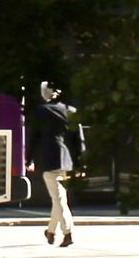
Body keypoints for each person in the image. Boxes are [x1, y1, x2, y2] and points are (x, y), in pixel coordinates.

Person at [25, 80, 84, 248]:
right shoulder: (71, 112)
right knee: (59, 198)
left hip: (49, 160)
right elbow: (79, 141)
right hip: (67, 162)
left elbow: (33, 138)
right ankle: (50, 231)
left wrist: (29, 160)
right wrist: (81, 164)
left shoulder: (40, 111)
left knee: (58, 200)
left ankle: (68, 233)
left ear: (44, 94)